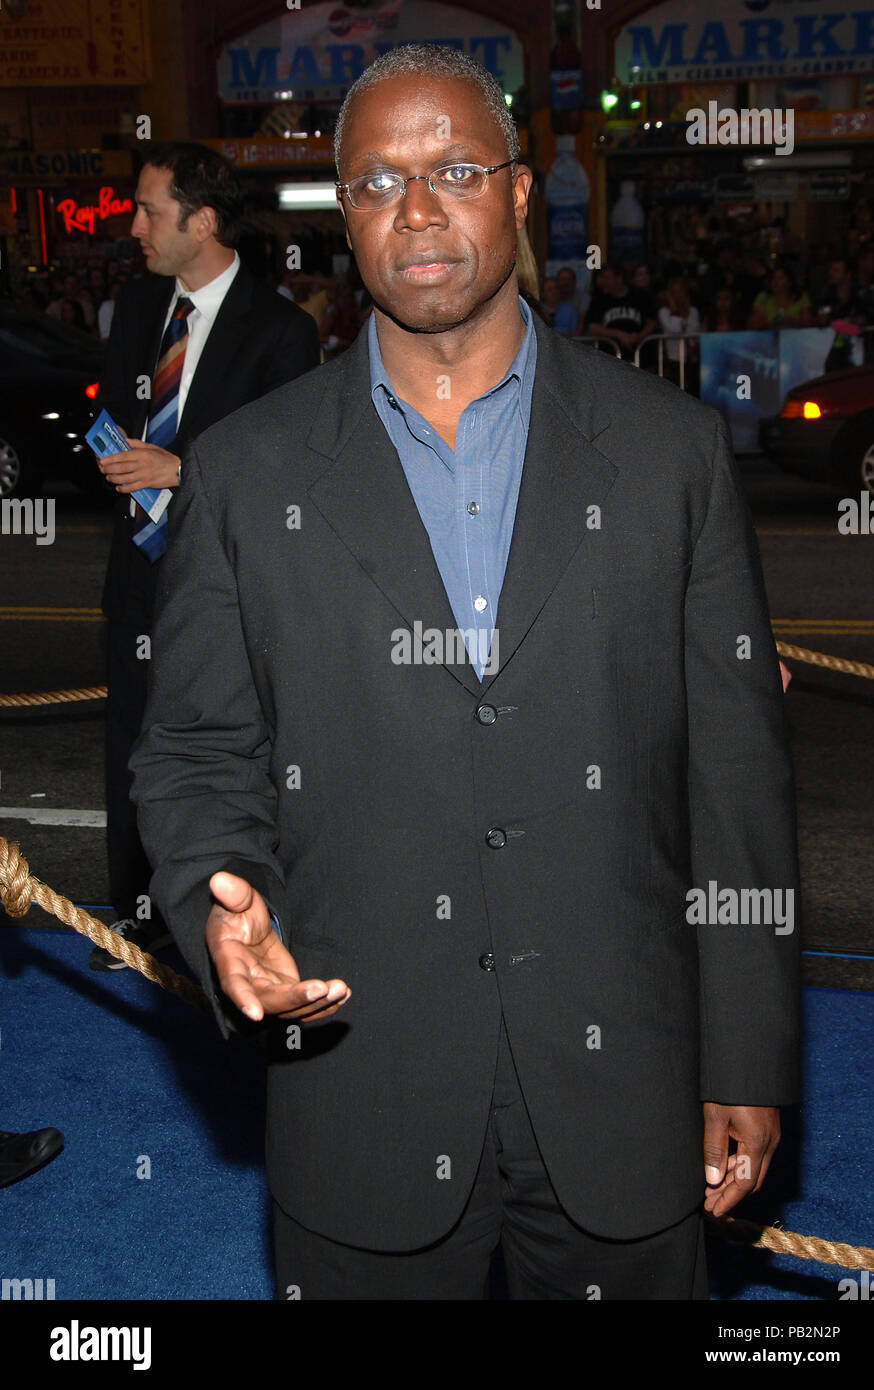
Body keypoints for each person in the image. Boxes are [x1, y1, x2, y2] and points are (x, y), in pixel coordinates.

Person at [130, 45, 800, 1301]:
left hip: (624, 1091)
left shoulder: (670, 457)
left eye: (452, 168)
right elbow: (195, 750)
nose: (418, 209)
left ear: (514, 188)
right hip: (359, 1085)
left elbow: (735, 788)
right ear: (344, 219)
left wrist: (746, 1053)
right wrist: (219, 904)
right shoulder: (247, 472)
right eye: (377, 182)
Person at [88, 141, 319, 971]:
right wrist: (117, 452)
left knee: (221, 758)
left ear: (204, 220)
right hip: (137, 576)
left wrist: (181, 473)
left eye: (150, 211)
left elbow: (289, 472)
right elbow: (117, 412)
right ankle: (133, 921)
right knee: (130, 751)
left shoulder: (282, 331)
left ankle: (234, 919)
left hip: (227, 589)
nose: (134, 226)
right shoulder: (138, 307)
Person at [582, 262, 657, 356]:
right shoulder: (599, 299)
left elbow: (652, 323)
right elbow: (593, 327)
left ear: (619, 278)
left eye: (606, 278)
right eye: (600, 277)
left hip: (641, 356)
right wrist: (618, 334)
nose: (601, 282)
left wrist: (638, 336)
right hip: (609, 358)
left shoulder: (641, 296)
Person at [747, 264, 812, 330]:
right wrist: (771, 324)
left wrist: (791, 321)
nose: (776, 281)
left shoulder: (802, 296)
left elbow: (808, 324)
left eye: (780, 278)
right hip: (769, 338)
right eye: (773, 278)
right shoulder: (764, 297)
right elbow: (753, 325)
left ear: (790, 282)